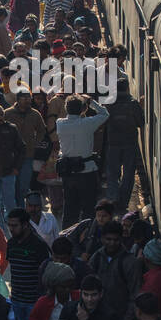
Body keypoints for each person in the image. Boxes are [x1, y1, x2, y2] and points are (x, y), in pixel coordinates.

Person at [56, 97, 109, 227]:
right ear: (82, 109)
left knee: (69, 207)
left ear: (66, 109)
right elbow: (105, 114)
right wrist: (91, 102)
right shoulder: (87, 123)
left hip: (68, 170)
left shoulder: (60, 123)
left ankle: (66, 235)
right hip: (86, 170)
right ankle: (87, 234)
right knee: (88, 207)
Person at [103, 79, 144, 210]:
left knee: (112, 173)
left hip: (113, 143)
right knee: (128, 174)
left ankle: (113, 198)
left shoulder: (109, 104)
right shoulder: (133, 104)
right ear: (127, 89)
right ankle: (123, 202)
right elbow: (140, 123)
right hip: (129, 143)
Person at [5, 208, 50, 320]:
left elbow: (45, 273)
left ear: (25, 225)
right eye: (9, 225)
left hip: (33, 302)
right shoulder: (10, 244)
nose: (10, 229)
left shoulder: (38, 245)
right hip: (16, 300)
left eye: (14, 225)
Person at [5, 90, 48, 205]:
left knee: (24, 186)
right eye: (24, 98)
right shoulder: (8, 113)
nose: (28, 100)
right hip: (11, 157)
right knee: (11, 186)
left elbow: (42, 130)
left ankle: (21, 208)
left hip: (27, 155)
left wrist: (35, 143)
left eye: (29, 98)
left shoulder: (35, 114)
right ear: (18, 100)